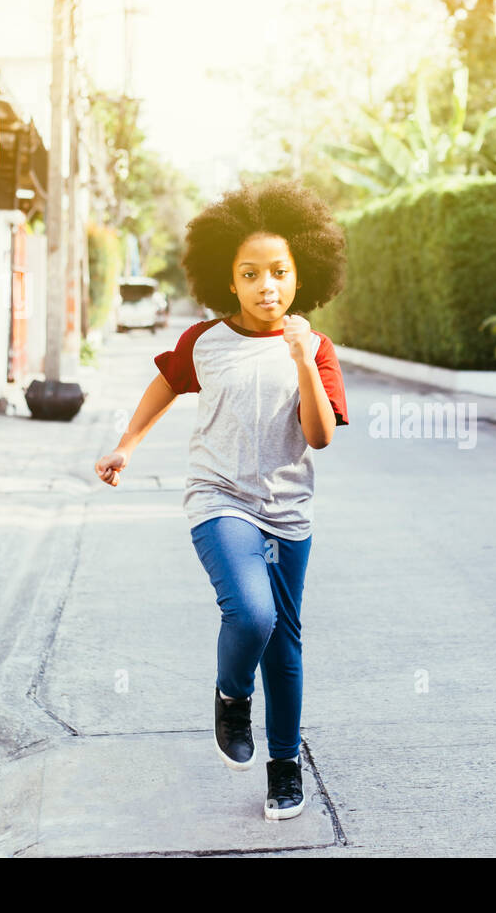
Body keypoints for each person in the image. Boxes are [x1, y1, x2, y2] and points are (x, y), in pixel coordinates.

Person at [93, 179, 349, 820]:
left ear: (300, 274)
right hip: (219, 498)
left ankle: (284, 766)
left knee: (284, 643)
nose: (267, 286)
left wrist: (301, 359)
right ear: (228, 281)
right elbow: (166, 383)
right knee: (253, 615)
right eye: (250, 274)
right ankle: (232, 697)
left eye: (279, 272)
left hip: (287, 510)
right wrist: (127, 444)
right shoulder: (204, 341)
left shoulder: (316, 349)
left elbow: (319, 436)